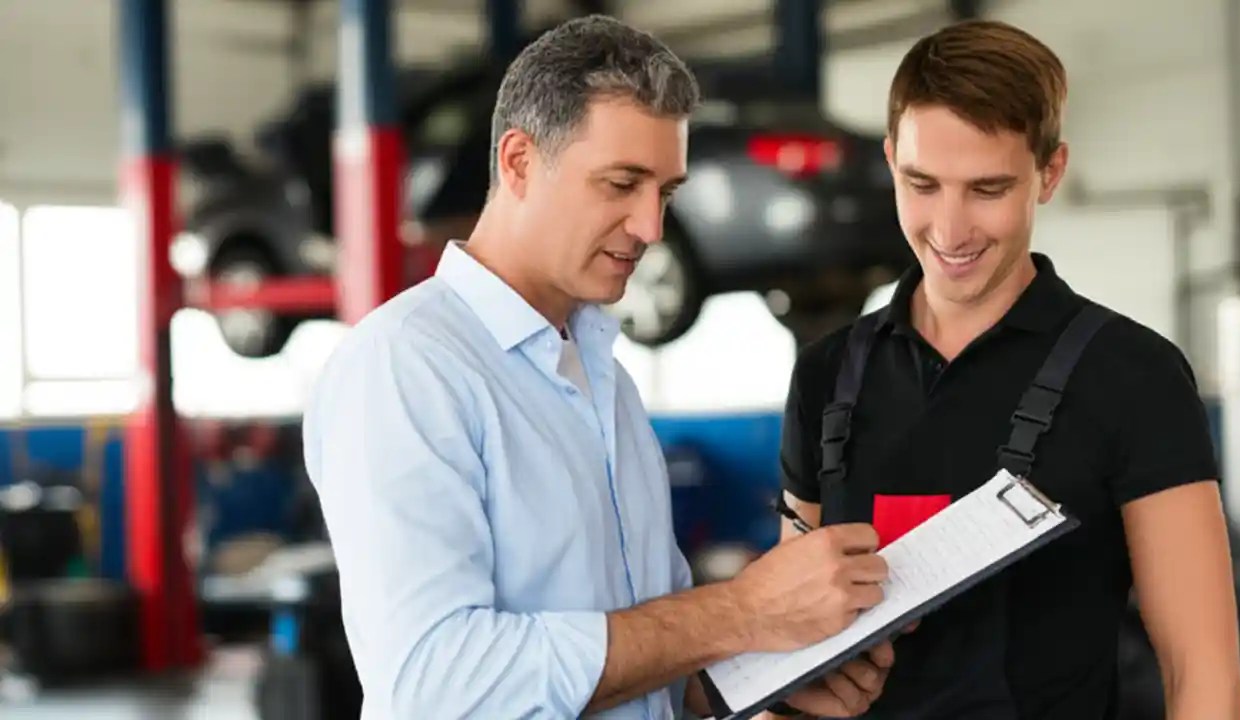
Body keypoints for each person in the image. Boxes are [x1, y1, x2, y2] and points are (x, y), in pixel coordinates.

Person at [303, 15, 901, 720]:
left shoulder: (599, 375)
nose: (651, 228)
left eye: (666, 194)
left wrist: (769, 673)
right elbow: (438, 684)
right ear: (519, 162)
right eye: (621, 184)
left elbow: (653, 658)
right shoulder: (406, 368)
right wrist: (741, 612)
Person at [770, 19, 1240, 720]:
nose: (950, 228)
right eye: (921, 183)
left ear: (1049, 173)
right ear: (890, 159)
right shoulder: (827, 376)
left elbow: (1203, 674)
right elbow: (788, 651)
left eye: (987, 189)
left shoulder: (1133, 377)